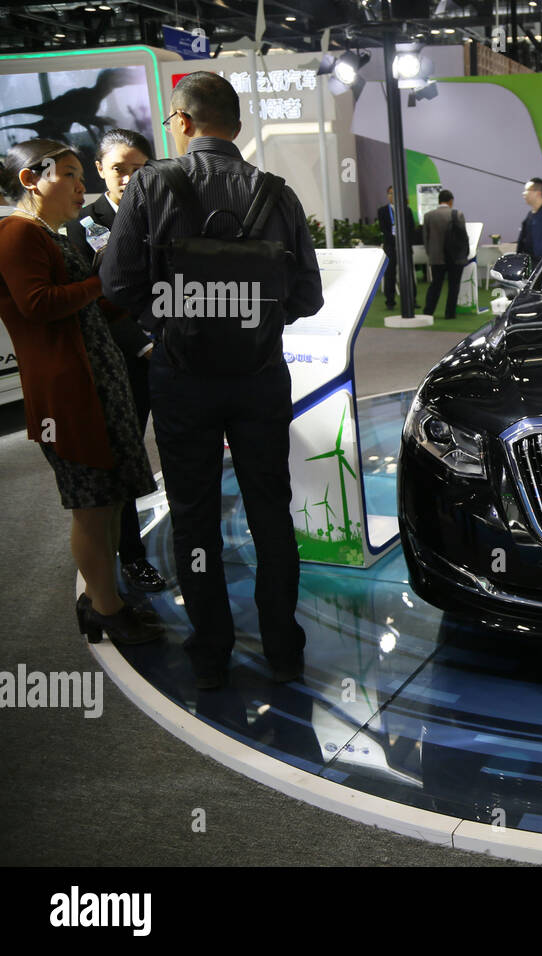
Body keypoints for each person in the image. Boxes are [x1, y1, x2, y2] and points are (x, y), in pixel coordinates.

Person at [101, 71, 324, 690]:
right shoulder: (277, 194)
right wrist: (249, 310)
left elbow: (117, 285)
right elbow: (307, 295)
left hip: (182, 377)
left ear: (181, 122)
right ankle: (283, 649)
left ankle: (211, 654)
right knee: (271, 513)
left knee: (195, 516)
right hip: (259, 376)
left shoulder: (150, 184)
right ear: (239, 127)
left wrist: (173, 315)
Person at [0, 139, 163, 646]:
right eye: (67, 174)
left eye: (78, 174)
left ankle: (101, 597)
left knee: (110, 500)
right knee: (92, 505)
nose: (79, 186)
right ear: (30, 178)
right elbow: (39, 304)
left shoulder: (44, 233)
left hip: (97, 382)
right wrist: (103, 278)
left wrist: (116, 291)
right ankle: (106, 609)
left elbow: (83, 307)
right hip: (70, 393)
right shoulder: (16, 233)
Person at [66, 128, 167, 594]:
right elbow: (97, 301)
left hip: (175, 351)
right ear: (100, 170)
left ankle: (190, 543)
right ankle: (134, 557)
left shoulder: (168, 215)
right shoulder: (81, 226)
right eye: (119, 169)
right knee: (127, 463)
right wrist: (143, 343)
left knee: (181, 451)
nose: (129, 178)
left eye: (138, 168)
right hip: (123, 362)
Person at [422, 188, 470, 320]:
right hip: (455, 257)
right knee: (453, 286)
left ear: (439, 201)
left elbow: (425, 238)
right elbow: (463, 237)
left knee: (435, 285)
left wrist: (430, 253)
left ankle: (428, 312)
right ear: (451, 201)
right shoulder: (457, 214)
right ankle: (450, 314)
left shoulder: (428, 216)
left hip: (436, 257)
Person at [378, 184, 417, 308]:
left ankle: (412, 300)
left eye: (394, 193)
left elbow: (411, 229)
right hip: (390, 247)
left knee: (408, 273)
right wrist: (394, 240)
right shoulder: (382, 211)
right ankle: (390, 301)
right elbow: (384, 229)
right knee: (390, 274)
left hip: (405, 247)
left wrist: (403, 241)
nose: (392, 196)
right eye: (390, 193)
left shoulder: (406, 210)